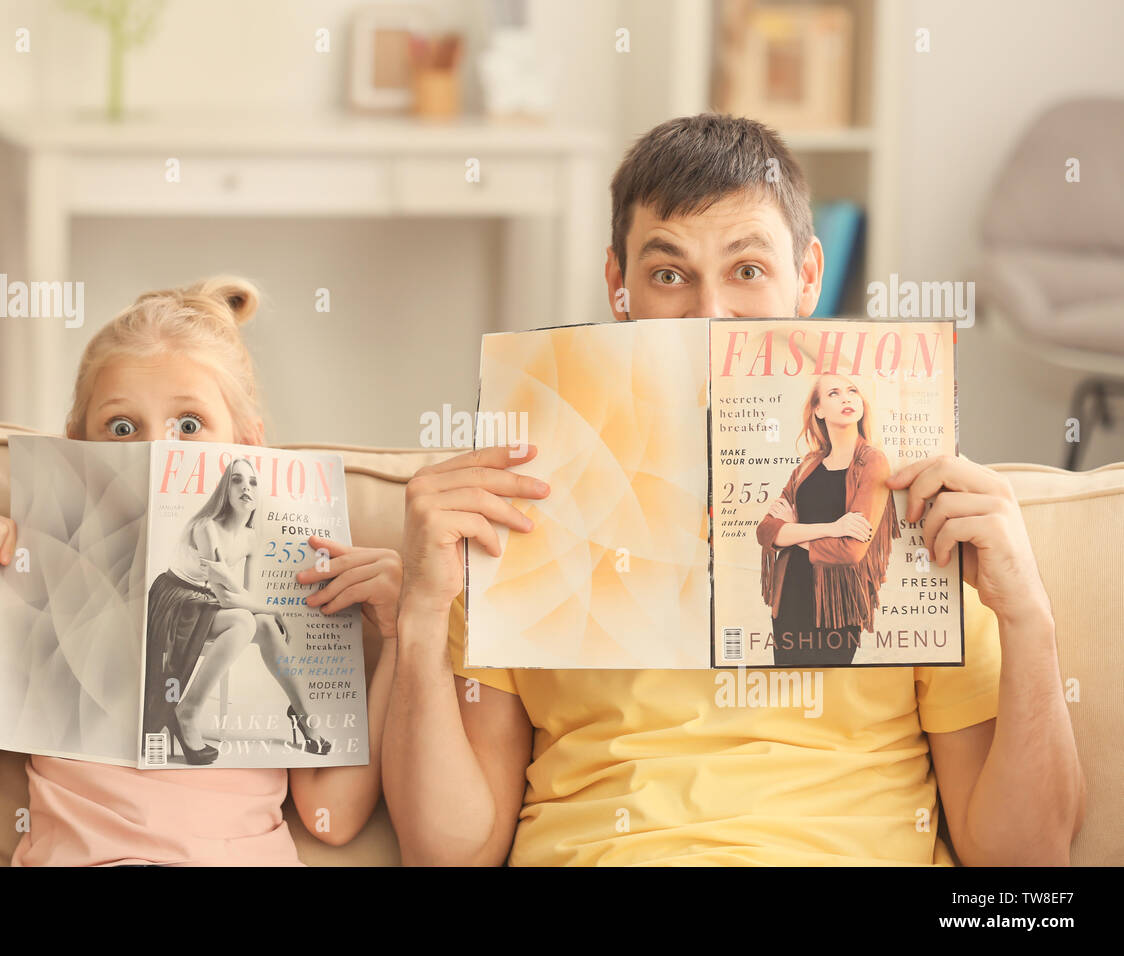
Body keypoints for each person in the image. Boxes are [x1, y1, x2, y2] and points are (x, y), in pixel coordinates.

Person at [384, 114, 1086, 866]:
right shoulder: (524, 499)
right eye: (669, 274)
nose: (709, 314)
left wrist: (1028, 620)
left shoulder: (920, 503)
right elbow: (451, 853)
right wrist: (420, 614)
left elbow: (1025, 863)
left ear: (808, 277)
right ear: (618, 285)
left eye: (747, 271)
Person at [0, 275, 401, 865]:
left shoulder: (292, 578)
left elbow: (332, 818)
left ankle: (197, 710)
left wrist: (397, 635)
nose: (158, 449)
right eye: (122, 428)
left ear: (247, 446)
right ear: (76, 447)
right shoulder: (39, 572)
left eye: (189, 425)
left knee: (247, 623)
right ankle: (187, 711)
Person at [142, 456, 331, 764]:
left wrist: (268, 613)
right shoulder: (207, 528)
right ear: (224, 491)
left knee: (265, 625)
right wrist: (274, 608)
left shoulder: (251, 537)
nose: (246, 487)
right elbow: (229, 598)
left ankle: (303, 714)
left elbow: (244, 593)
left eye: (253, 481)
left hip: (205, 600)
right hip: (175, 599)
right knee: (244, 620)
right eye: (237, 480)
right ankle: (188, 710)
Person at [758, 373, 897, 667]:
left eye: (853, 391)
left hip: (839, 600)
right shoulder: (808, 465)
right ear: (818, 409)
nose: (847, 398)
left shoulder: (872, 461)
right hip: (790, 594)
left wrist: (794, 532)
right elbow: (766, 531)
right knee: (788, 685)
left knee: (829, 687)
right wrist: (833, 528)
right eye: (834, 393)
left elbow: (850, 551)